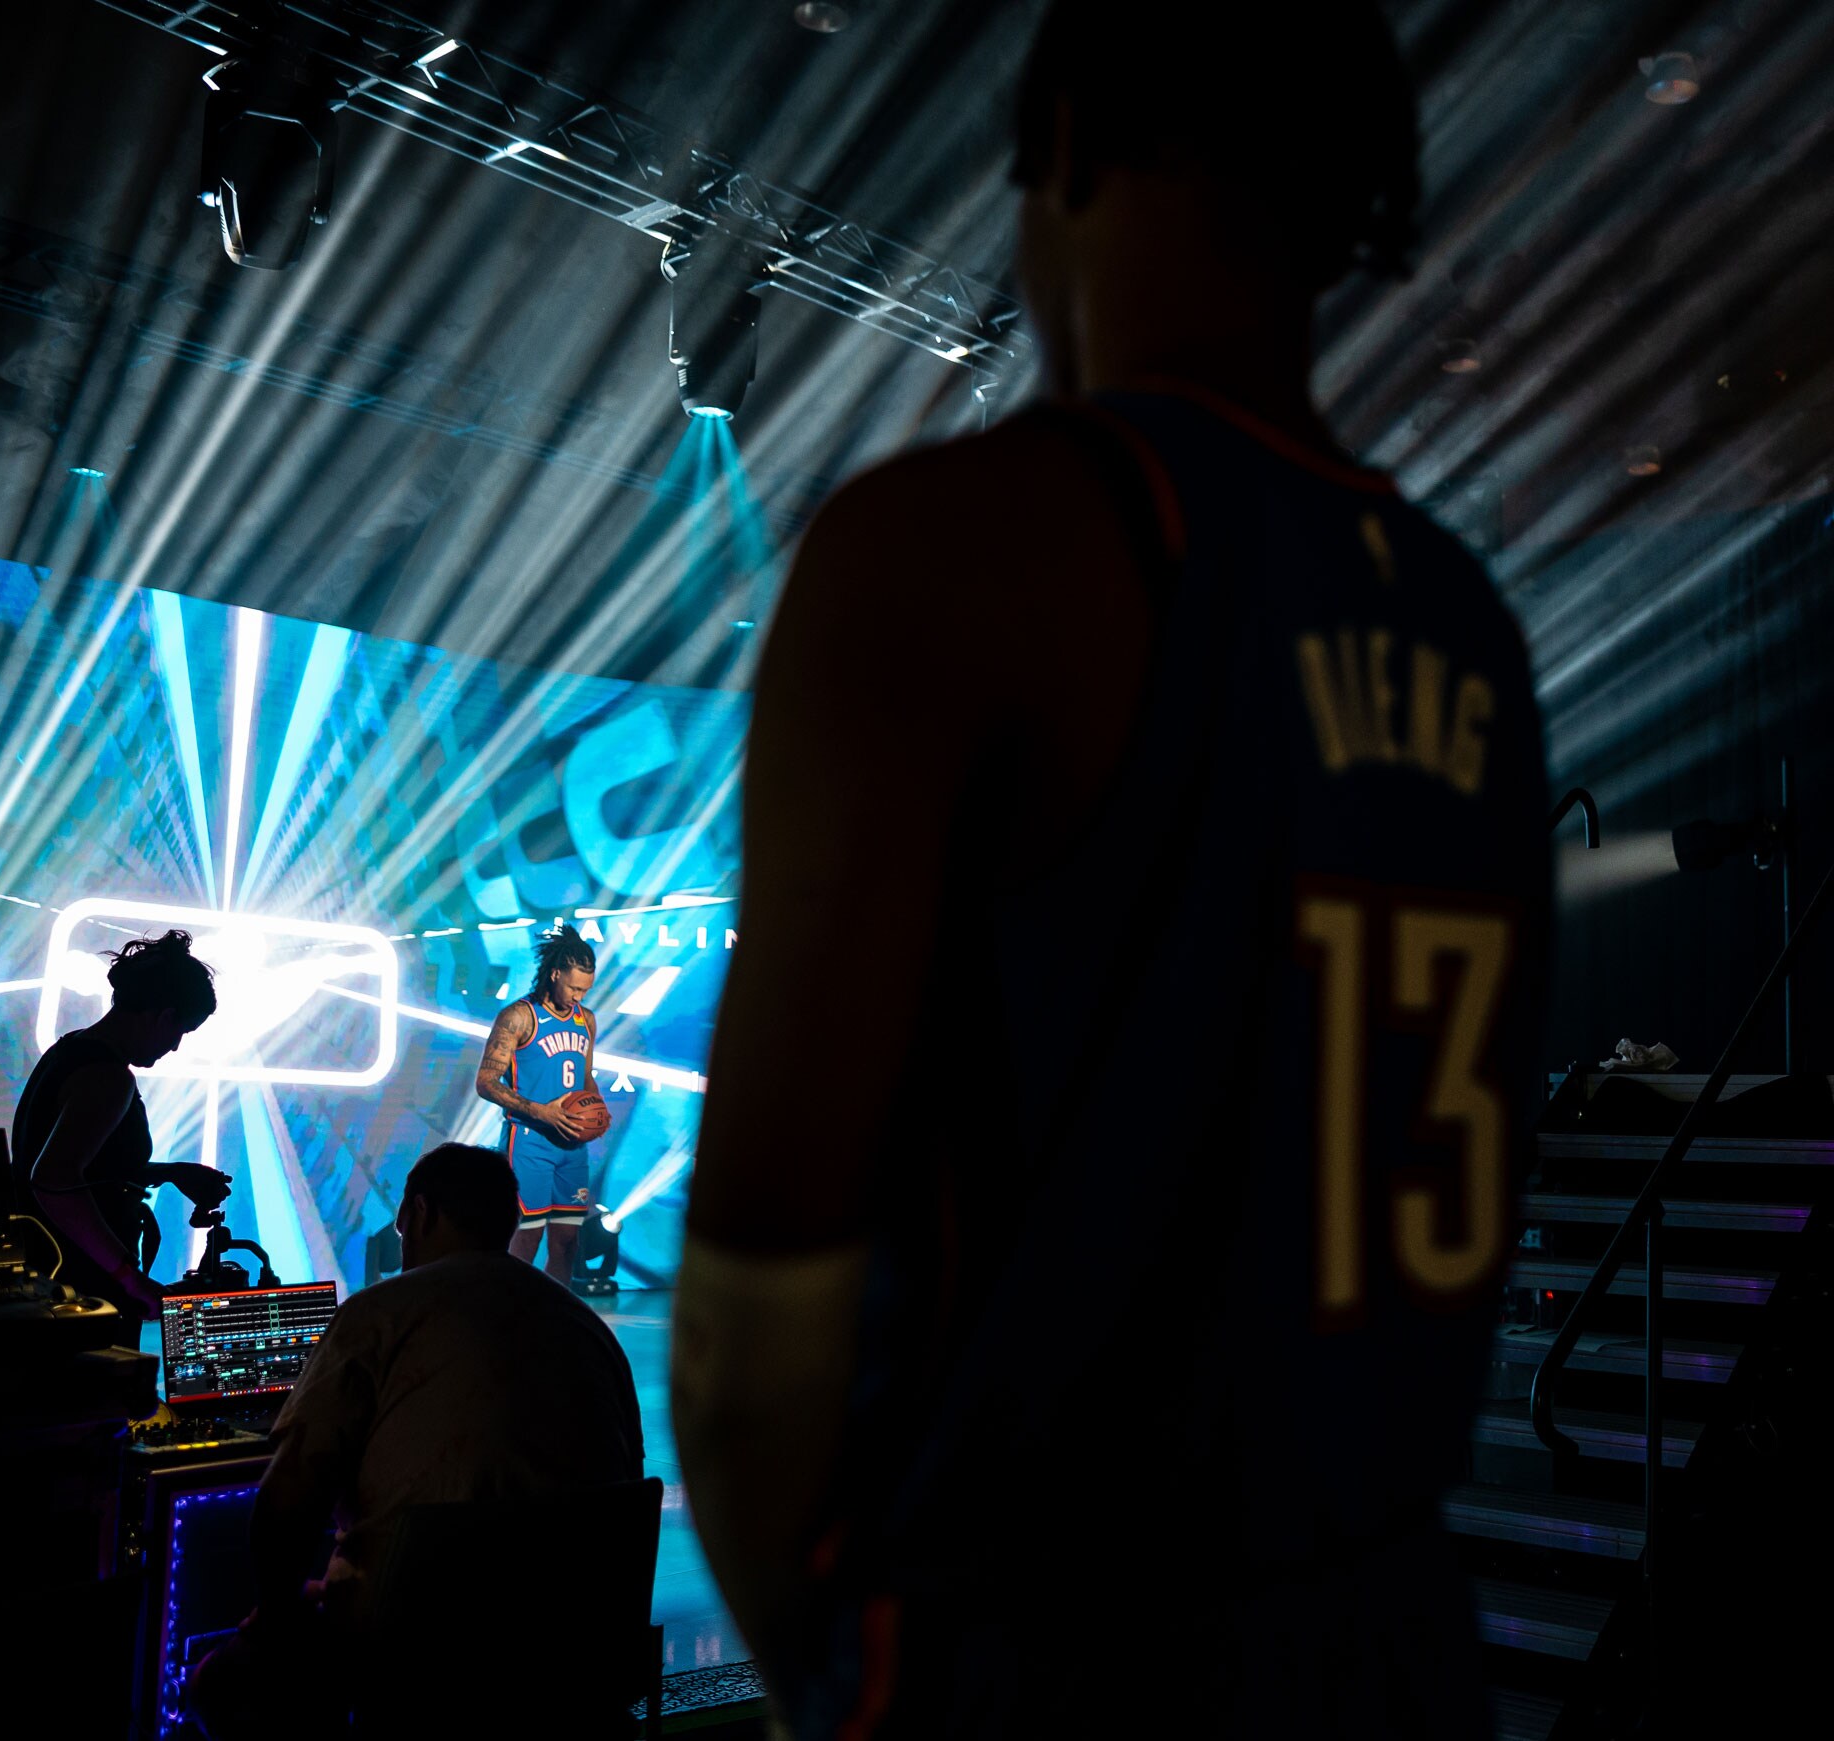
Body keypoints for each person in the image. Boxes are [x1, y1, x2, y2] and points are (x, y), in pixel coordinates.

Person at [673, 4, 1550, 1738]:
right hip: (1395, 1640)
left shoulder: (956, 548)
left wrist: (829, 1679)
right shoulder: (1469, 619)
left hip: (1054, 1648)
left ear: (1064, 145)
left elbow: (753, 1328)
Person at [189, 1142, 645, 1738]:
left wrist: (276, 1617)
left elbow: (289, 1499)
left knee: (219, 1684)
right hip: (580, 1642)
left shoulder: (379, 1313)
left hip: (422, 1637)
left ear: (421, 1214)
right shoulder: (588, 1328)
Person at [11, 929, 229, 1318]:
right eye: (180, 1032)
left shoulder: (68, 1051)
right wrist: (128, 1278)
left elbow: (86, 1170)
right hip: (83, 1295)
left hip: (51, 1286)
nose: (175, 1046)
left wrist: (171, 1172)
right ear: (163, 1017)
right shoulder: (108, 1078)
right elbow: (54, 1179)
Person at [475, 929, 609, 1285]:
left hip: (572, 1148)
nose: (579, 996)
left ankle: (555, 1321)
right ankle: (507, 1322)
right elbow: (485, 1082)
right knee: (524, 1241)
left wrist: (597, 1106)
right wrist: (541, 1111)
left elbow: (585, 1076)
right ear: (555, 975)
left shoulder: (586, 1020)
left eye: (585, 990)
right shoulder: (518, 1017)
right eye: (574, 988)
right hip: (529, 1141)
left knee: (567, 1244)